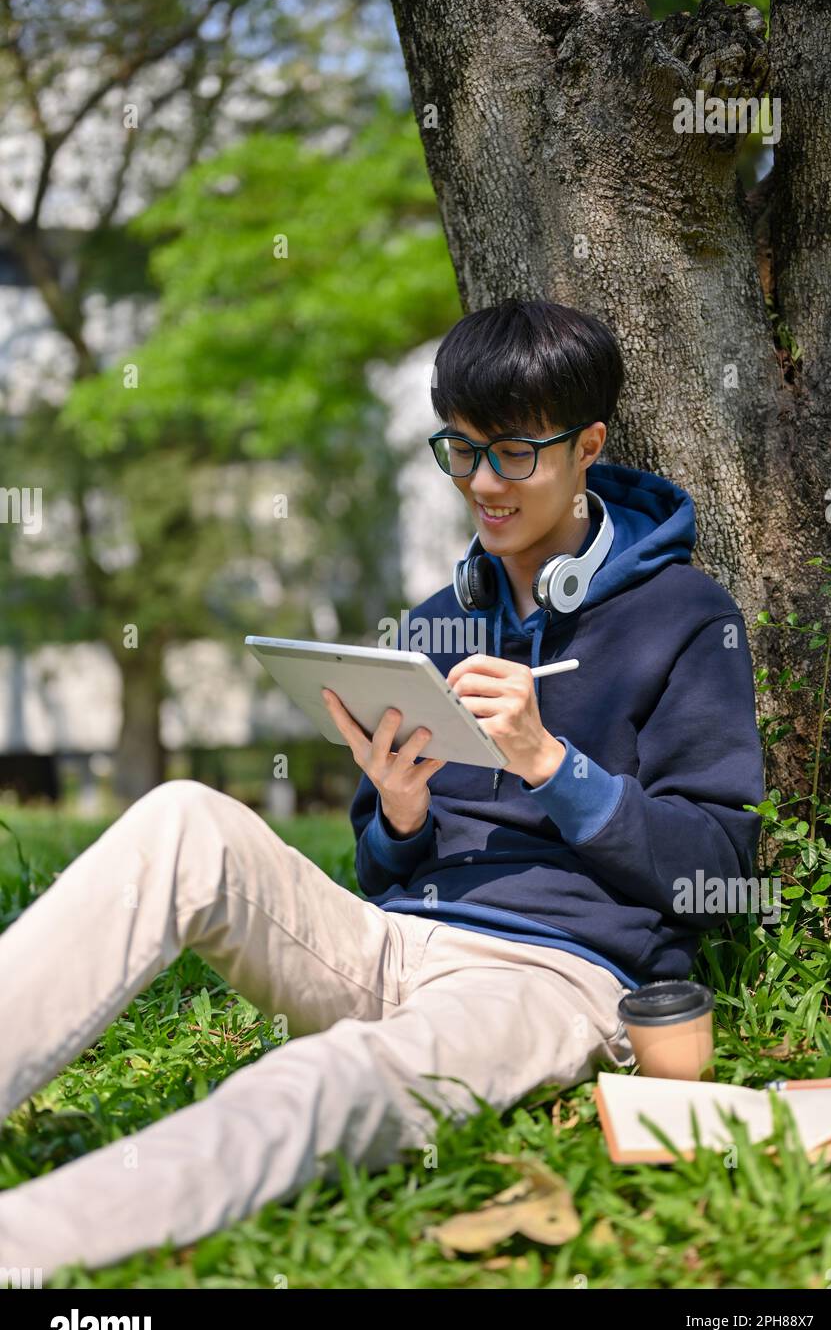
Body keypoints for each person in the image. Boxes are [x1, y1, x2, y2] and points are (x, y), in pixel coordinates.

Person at [0, 298, 763, 1279]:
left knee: (338, 1076)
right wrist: (398, 818)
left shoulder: (688, 617)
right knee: (183, 819)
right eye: (462, 450)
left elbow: (718, 867)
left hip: (552, 975)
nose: (482, 484)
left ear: (590, 446)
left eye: (515, 454)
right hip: (391, 940)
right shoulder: (440, 618)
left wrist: (550, 764)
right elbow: (382, 861)